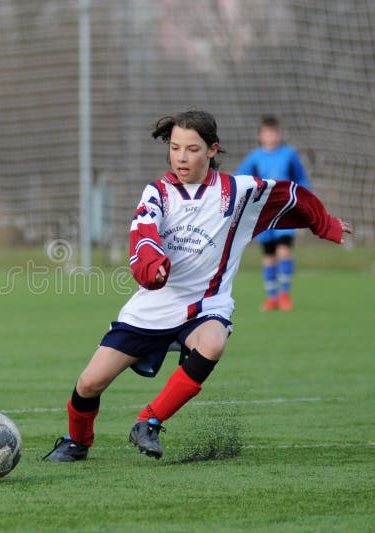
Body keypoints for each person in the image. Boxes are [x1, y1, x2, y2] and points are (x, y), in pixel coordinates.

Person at [43, 110, 351, 462]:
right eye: (175, 148)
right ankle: (76, 442)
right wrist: (152, 266)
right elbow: (143, 233)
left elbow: (291, 195)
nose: (181, 157)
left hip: (206, 306)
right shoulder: (157, 192)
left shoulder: (237, 192)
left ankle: (149, 422)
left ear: (211, 150)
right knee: (89, 384)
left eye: (191, 149)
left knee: (214, 341)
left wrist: (325, 224)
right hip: (154, 306)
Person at [236, 115, 310, 312]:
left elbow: (301, 178)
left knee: (284, 250)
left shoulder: (289, 154)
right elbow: (241, 179)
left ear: (279, 135)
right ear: (261, 136)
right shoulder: (255, 157)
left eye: (275, 133)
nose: (272, 137)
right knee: (269, 256)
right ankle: (272, 297)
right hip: (263, 213)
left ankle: (285, 294)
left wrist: (304, 198)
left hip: (285, 210)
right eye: (268, 133)